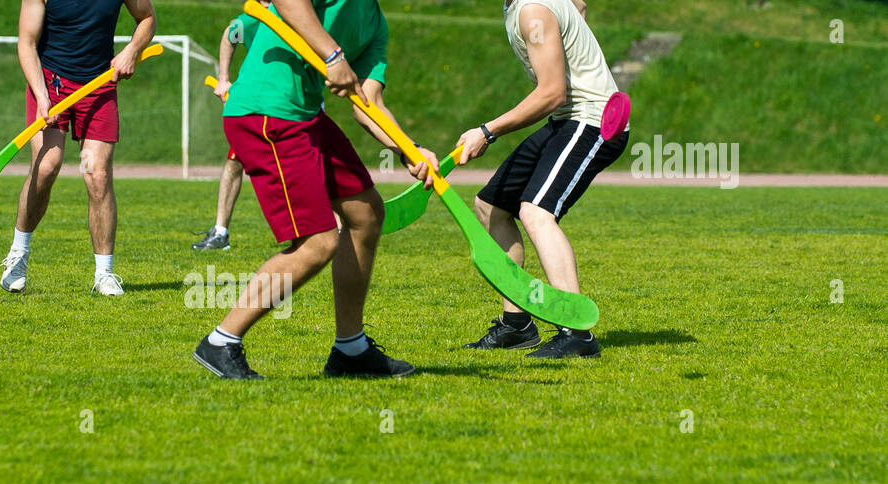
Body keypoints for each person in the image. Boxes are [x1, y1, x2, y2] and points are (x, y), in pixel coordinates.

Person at [192, 0, 439, 379]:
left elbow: (368, 103)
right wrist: (334, 55)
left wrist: (407, 147)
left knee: (365, 212)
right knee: (318, 242)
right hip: (266, 111)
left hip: (305, 115)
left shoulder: (374, 25)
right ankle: (222, 341)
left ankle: (351, 350)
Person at [455, 0, 628, 358]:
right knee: (491, 206)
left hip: (590, 120)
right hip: (567, 120)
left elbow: (551, 94)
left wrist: (487, 132)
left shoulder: (531, 9)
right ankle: (517, 325)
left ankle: (577, 331)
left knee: (536, 212)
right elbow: (578, 5)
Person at [1, 0, 157, 296]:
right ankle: (17, 256)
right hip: (50, 82)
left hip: (98, 84)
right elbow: (27, 43)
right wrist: (41, 96)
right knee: (47, 166)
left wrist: (131, 51)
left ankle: (105, 273)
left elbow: (147, 18)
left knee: (97, 175)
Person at [191, 0, 272, 251]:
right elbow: (230, 35)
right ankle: (220, 232)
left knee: (311, 159)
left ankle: (333, 226)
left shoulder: (299, 13)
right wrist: (224, 79)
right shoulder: (251, 20)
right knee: (235, 161)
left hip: (294, 102)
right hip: (257, 104)